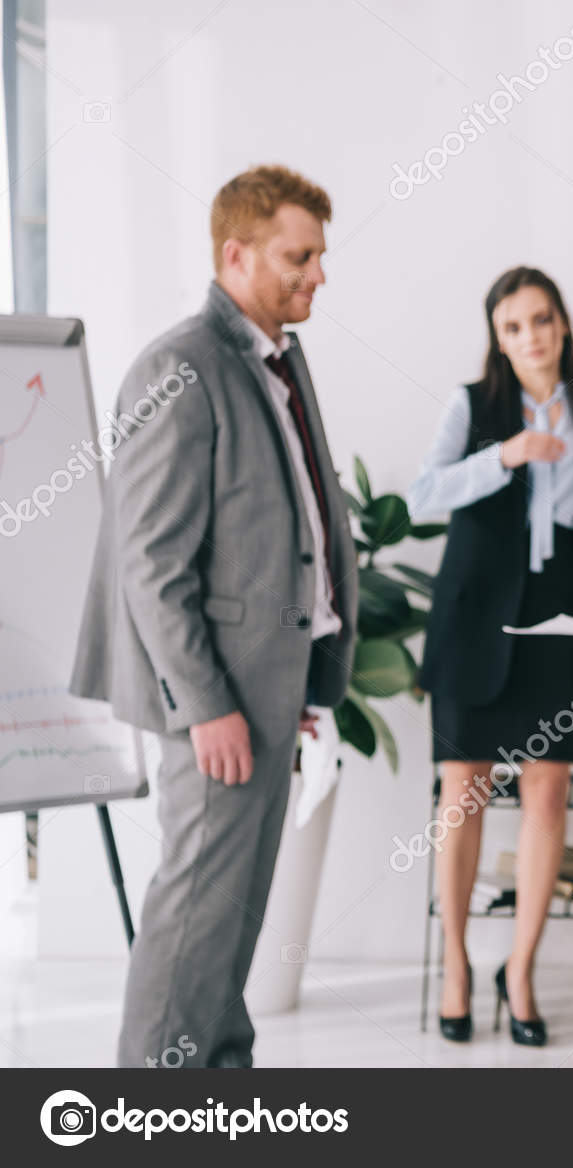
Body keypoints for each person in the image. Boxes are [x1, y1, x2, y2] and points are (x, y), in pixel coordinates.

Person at [69, 164, 358, 1068]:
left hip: (268, 695)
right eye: (297, 256)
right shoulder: (179, 366)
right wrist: (206, 705)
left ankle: (219, 1084)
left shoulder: (275, 355)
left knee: (229, 922)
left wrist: (306, 677)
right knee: (195, 917)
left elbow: (295, 526)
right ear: (236, 255)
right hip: (218, 707)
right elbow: (151, 562)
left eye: (319, 255)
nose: (317, 275)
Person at [408, 266, 573, 1047]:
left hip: (554, 619)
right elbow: (425, 495)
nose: (530, 336)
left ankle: (520, 969)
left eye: (541, 320)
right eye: (513, 326)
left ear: (562, 324)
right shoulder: (475, 404)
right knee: (462, 792)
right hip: (473, 619)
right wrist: (507, 455)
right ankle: (457, 964)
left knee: (549, 793)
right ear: (497, 338)